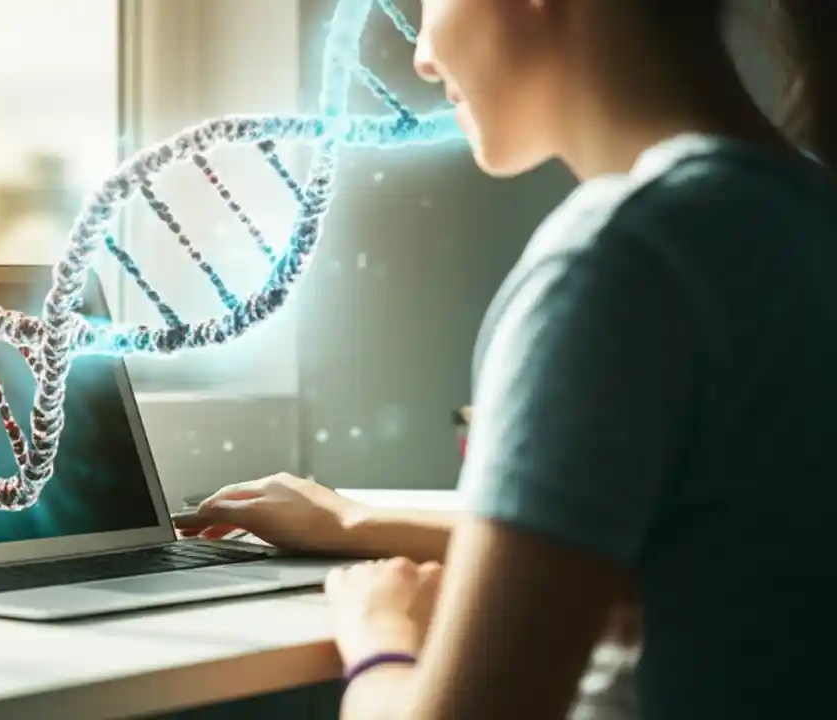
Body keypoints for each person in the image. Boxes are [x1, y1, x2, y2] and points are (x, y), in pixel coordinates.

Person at [176, 1, 837, 718]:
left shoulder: (622, 261)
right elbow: (698, 545)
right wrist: (358, 524)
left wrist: (379, 638)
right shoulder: (798, 218)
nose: (423, 57)